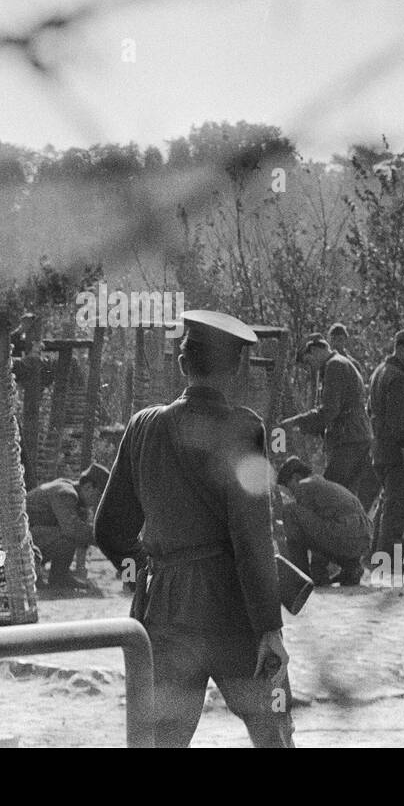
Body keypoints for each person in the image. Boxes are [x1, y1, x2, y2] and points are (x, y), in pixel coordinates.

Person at [95, 309, 293, 748]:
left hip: (164, 613)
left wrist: (149, 575)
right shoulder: (243, 428)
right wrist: (270, 627)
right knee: (273, 733)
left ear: (183, 365)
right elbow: (251, 538)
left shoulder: (141, 426)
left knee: (161, 742)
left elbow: (109, 528)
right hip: (234, 614)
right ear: (238, 369)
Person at [280, 333, 375, 508]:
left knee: (329, 496)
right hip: (356, 438)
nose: (311, 368)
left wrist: (296, 423)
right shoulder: (341, 363)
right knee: (348, 499)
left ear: (315, 350)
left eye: (308, 361)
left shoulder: (334, 366)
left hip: (348, 441)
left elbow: (330, 411)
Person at [367, 329, 404, 562]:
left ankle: (374, 557)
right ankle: (387, 562)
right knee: (399, 507)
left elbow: (370, 411)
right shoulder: (397, 377)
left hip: (381, 451)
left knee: (387, 506)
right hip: (395, 453)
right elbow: (397, 418)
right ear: (399, 348)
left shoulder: (380, 372)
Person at [275, 457, 371, 586]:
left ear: (297, 477)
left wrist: (317, 572)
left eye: (288, 485)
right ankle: (351, 568)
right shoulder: (322, 484)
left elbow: (312, 535)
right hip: (363, 539)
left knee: (290, 512)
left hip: (346, 534)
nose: (290, 492)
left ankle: (301, 578)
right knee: (324, 527)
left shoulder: (305, 486)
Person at [26, 463, 109, 592]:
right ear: (87, 487)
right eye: (98, 495)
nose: (97, 501)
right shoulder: (65, 492)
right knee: (71, 533)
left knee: (75, 532)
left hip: (30, 541)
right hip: (17, 542)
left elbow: (82, 538)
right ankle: (58, 577)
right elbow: (72, 530)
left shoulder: (77, 502)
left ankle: (59, 576)